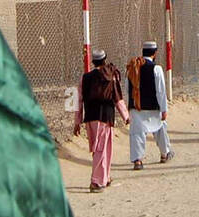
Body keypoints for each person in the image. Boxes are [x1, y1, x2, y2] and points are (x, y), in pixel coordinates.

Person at [74, 48, 130, 192]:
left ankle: (105, 176)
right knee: (102, 148)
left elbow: (78, 101)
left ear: (93, 62)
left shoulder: (84, 78)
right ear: (105, 60)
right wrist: (126, 116)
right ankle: (96, 182)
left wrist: (77, 122)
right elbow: (117, 98)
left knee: (100, 147)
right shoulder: (111, 75)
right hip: (105, 116)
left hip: (90, 117)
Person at [127, 42, 174, 166]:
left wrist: (130, 106)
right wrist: (164, 109)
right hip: (153, 107)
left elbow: (129, 88)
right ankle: (165, 153)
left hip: (136, 107)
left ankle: (137, 160)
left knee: (136, 133)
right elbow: (161, 91)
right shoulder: (156, 68)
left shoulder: (133, 67)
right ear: (155, 53)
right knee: (160, 128)